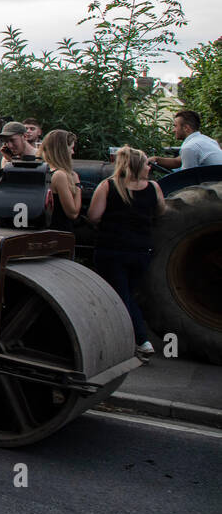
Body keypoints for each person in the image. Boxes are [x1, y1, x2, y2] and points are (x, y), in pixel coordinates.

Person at [87, 146, 166, 359]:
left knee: (121, 296)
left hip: (111, 250)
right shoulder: (154, 188)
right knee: (128, 294)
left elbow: (94, 216)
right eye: (147, 164)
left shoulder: (108, 186)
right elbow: (161, 211)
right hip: (140, 251)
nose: (150, 168)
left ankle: (142, 340)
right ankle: (130, 339)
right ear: (138, 166)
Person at [150, 109, 222, 170]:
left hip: (215, 184)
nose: (173, 130)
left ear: (186, 128)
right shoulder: (207, 140)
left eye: (175, 126)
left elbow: (186, 180)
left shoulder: (190, 147)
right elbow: (177, 162)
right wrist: (156, 159)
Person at [39, 129, 81, 232]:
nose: (73, 152)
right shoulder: (60, 175)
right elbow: (73, 213)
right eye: (71, 148)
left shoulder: (44, 170)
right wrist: (78, 185)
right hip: (60, 233)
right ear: (62, 151)